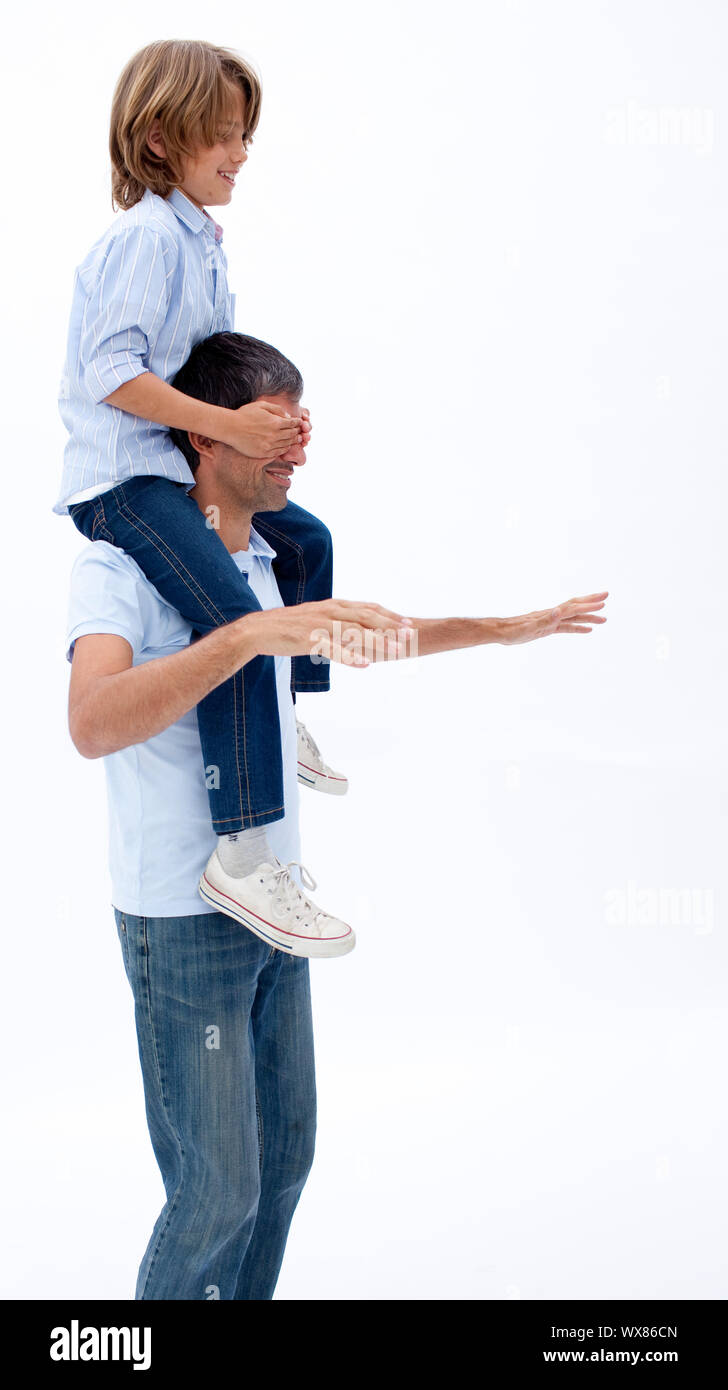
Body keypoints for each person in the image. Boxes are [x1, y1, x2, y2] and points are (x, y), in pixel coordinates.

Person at [65, 332, 607, 1297]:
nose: (298, 451)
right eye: (276, 429)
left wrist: (506, 629)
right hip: (182, 918)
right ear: (205, 436)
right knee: (216, 1192)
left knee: (282, 1167)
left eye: (301, 426)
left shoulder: (272, 558)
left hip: (274, 902)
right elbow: (91, 723)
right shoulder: (122, 569)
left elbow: (376, 637)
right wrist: (244, 638)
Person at [55, 38, 345, 912]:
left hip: (179, 473)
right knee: (238, 622)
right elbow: (111, 372)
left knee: (306, 543)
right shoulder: (147, 239)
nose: (241, 153)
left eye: (245, 134)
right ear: (158, 139)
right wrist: (227, 427)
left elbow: (213, 373)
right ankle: (244, 853)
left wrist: (268, 425)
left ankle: (284, 709)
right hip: (127, 485)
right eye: (222, 134)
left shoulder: (202, 242)